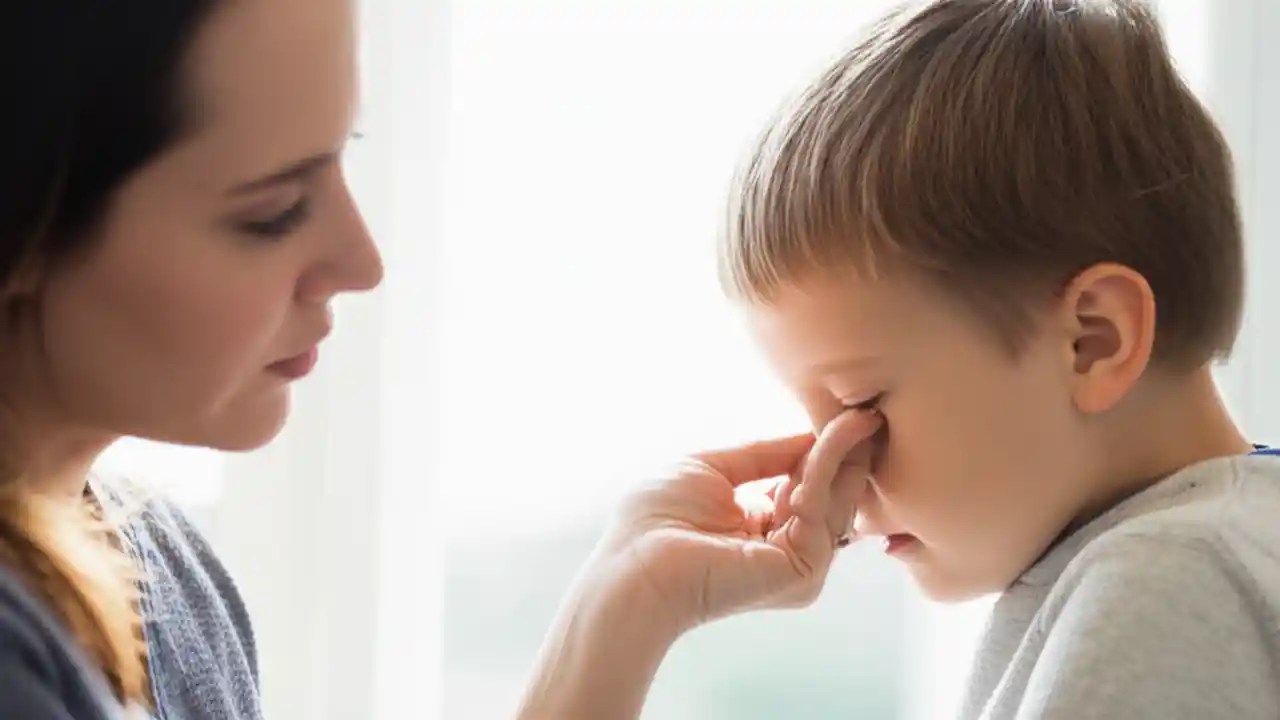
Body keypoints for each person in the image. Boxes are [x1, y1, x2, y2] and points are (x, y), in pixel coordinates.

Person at [0, 1, 877, 718]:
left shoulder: (164, 576)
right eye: (271, 212)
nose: (362, 261)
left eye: (343, 158)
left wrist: (631, 601)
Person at [519, 0, 1280, 718]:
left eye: (861, 406)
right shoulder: (1225, 543)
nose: (831, 480)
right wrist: (636, 594)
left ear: (1094, 340)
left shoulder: (1162, 583)